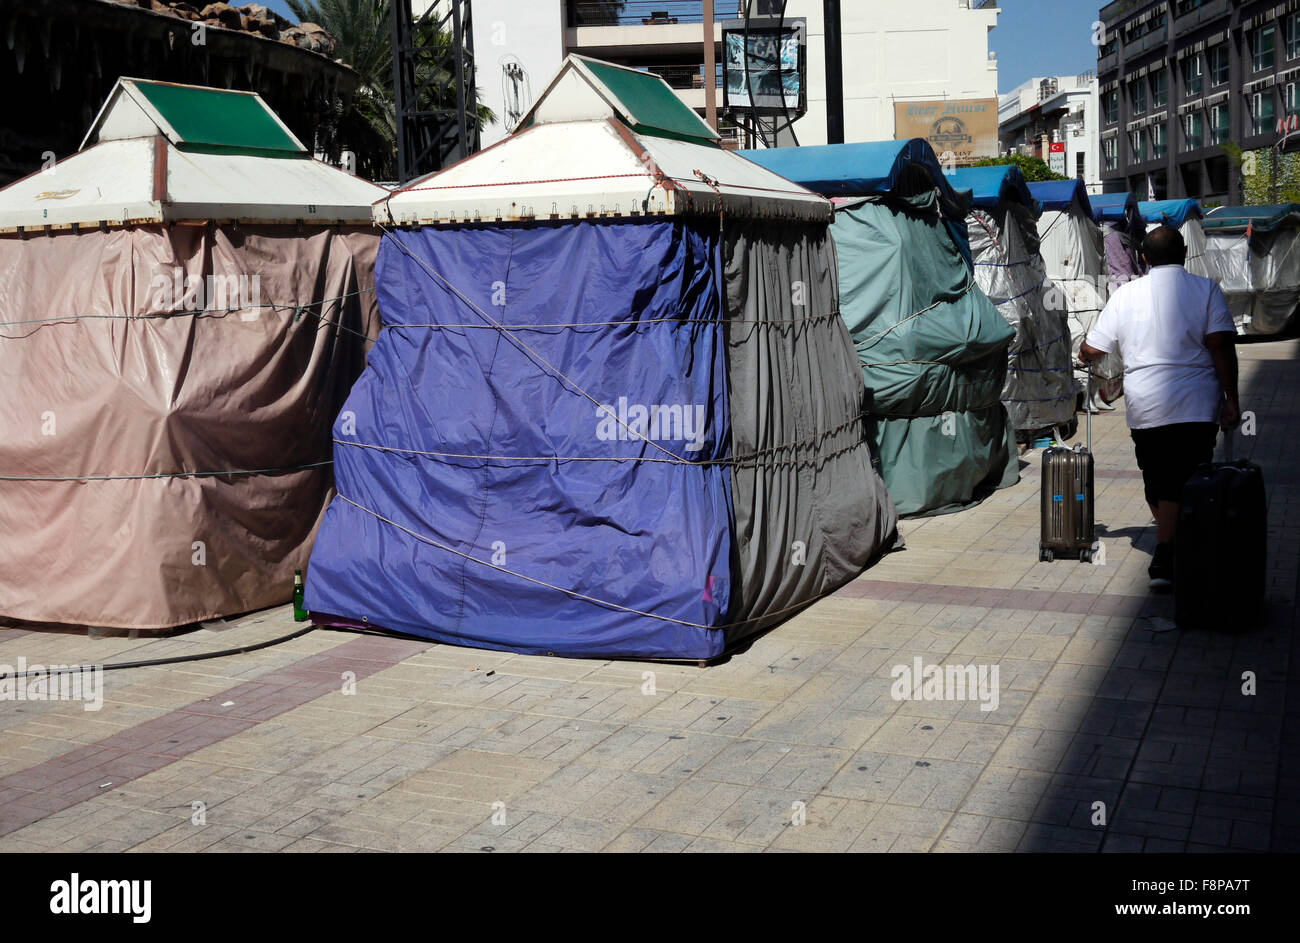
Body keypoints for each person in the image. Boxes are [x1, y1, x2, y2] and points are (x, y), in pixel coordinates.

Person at [1079, 224, 1239, 589]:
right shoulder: (1206, 289)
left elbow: (1094, 348)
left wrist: (1081, 354)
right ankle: (1181, 543)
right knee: (1171, 482)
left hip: (1146, 405)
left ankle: (1165, 557)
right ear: (1184, 254)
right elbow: (1221, 346)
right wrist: (1232, 399)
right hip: (1198, 404)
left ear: (1145, 258)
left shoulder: (1125, 295)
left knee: (1163, 480)